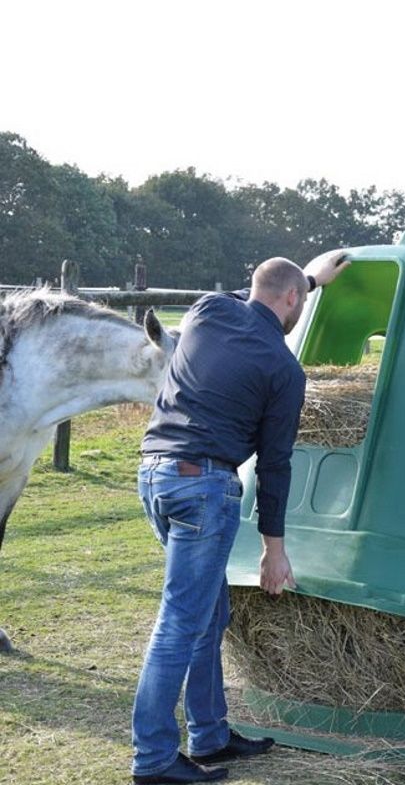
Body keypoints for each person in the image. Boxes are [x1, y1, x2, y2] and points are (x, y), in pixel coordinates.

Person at [131, 251, 349, 784]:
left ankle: (209, 735)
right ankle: (153, 760)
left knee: (209, 613)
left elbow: (250, 297)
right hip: (205, 487)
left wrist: (311, 279)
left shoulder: (207, 311)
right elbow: (274, 464)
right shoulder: (283, 369)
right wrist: (275, 549)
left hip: (154, 476)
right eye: (300, 297)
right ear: (293, 300)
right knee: (180, 622)